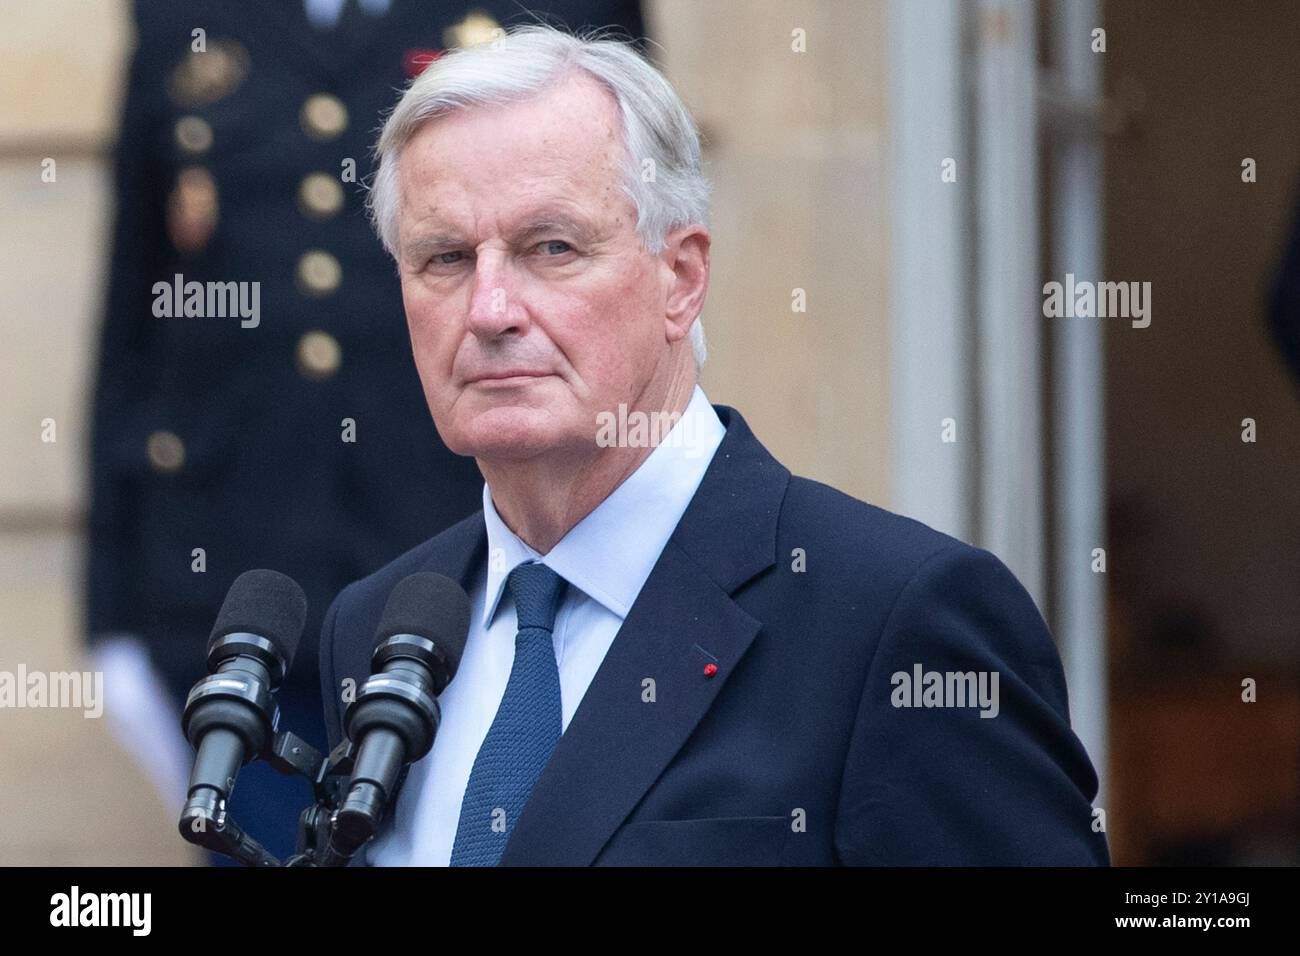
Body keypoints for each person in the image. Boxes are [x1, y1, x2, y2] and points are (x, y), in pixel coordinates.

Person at [318, 25, 1110, 866]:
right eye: (444, 257)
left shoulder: (895, 620)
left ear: (681, 279)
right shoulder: (375, 627)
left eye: (551, 247)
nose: (490, 308)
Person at [85, 1, 646, 864]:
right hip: (237, 599)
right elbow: (134, 313)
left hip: (471, 582)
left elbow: (631, 291)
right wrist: (110, 609)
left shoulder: (569, 9)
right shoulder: (177, 16)